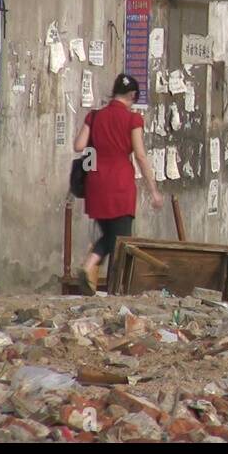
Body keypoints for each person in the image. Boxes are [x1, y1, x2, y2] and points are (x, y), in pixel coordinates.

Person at [73, 73, 163, 294]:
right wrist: (153, 191)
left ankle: (97, 273)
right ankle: (105, 281)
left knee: (110, 236)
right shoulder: (133, 120)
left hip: (96, 184)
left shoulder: (93, 117)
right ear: (132, 95)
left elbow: (79, 145)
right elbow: (140, 155)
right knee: (120, 240)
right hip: (120, 184)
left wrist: (96, 155)